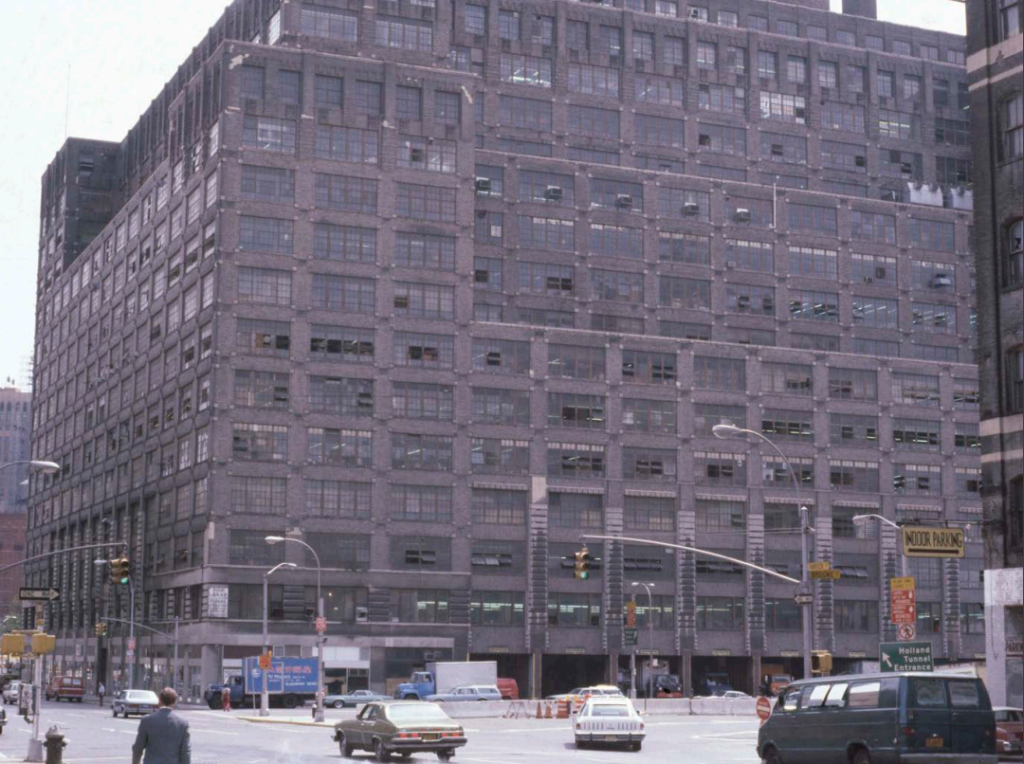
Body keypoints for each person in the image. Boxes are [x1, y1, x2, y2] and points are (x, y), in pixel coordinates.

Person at [131, 687, 190, 764]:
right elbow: (185, 752)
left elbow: (138, 748)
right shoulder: (182, 723)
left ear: (159, 701)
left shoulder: (147, 720)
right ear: (174, 702)